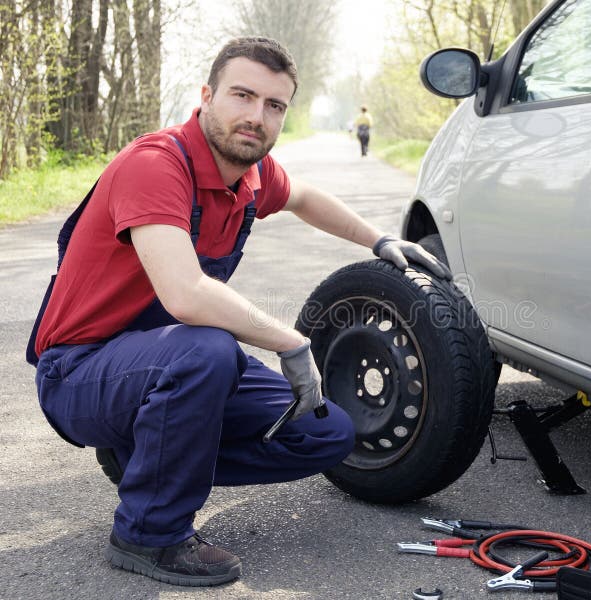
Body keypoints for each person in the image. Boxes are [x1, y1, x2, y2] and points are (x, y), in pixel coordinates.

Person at [27, 37, 450, 587]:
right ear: (206, 95)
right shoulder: (155, 165)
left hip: (164, 363)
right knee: (207, 348)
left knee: (325, 433)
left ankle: (145, 459)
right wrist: (290, 341)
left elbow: (303, 197)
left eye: (274, 105)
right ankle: (148, 533)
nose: (256, 116)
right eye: (242, 96)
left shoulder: (250, 175)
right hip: (80, 372)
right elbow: (185, 295)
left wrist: (379, 241)